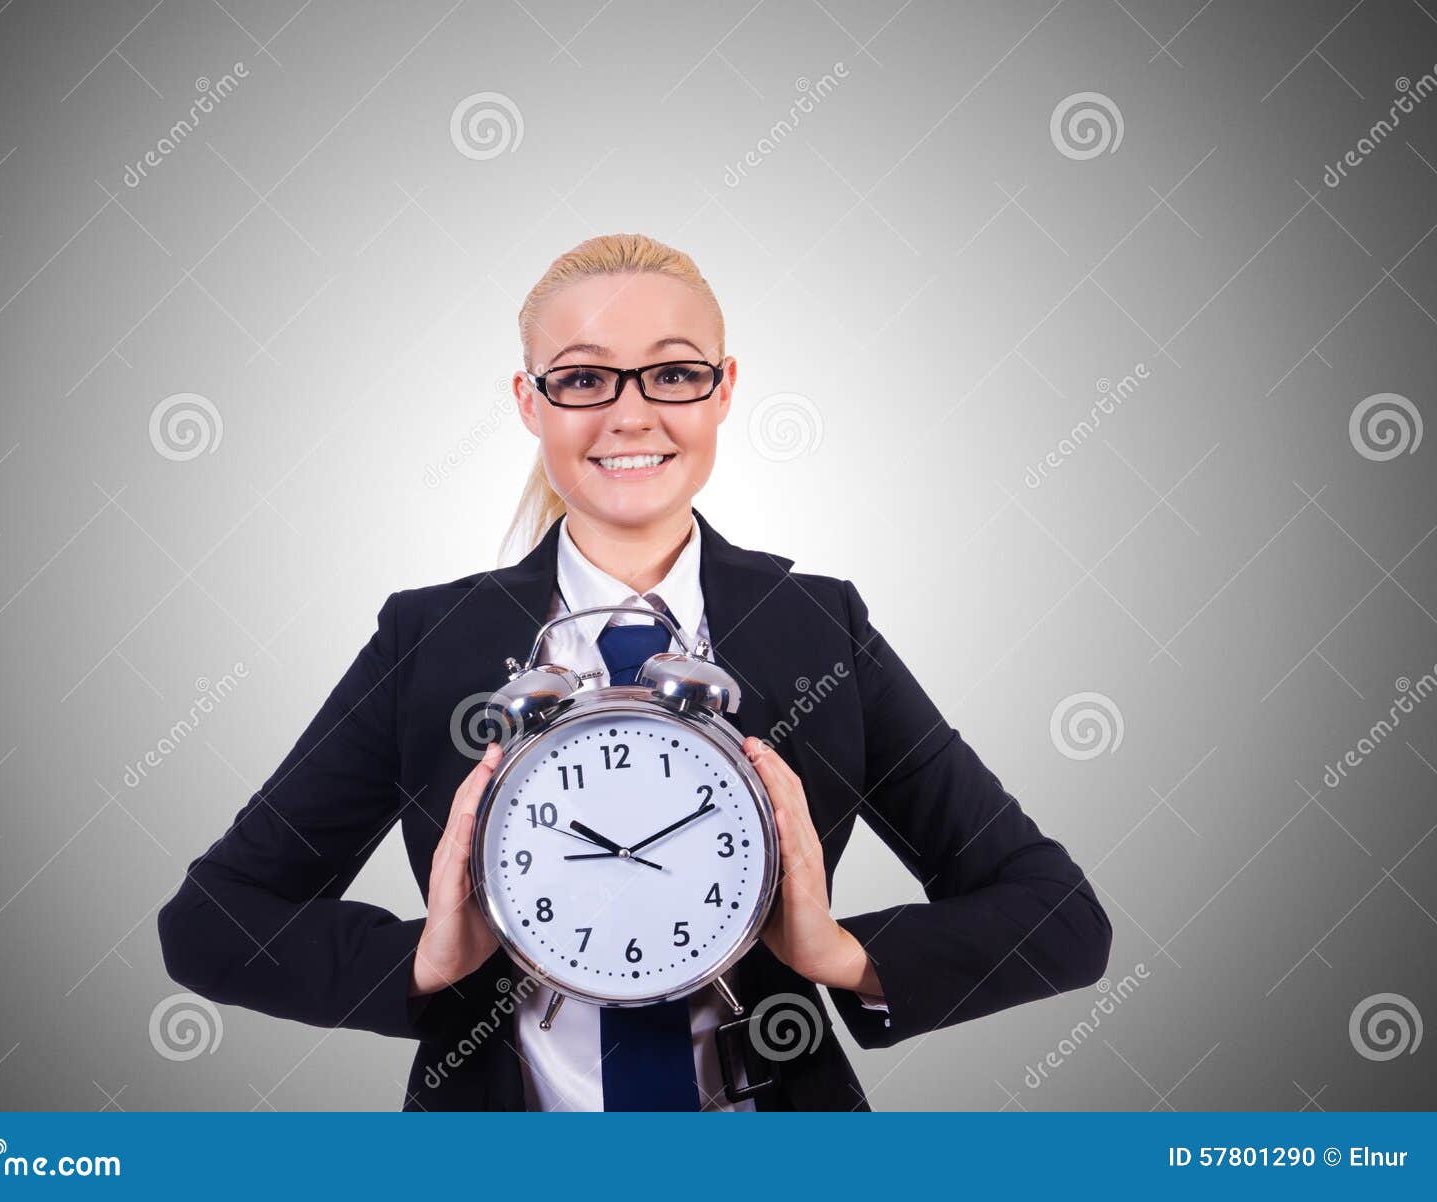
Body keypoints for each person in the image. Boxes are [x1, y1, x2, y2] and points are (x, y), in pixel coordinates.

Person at [157, 232, 1112, 1111]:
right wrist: (423, 960)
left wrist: (840, 952)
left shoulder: (818, 628)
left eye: (673, 373)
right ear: (529, 401)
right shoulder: (429, 640)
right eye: (582, 380)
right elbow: (210, 922)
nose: (631, 413)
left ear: (725, 388)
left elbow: (1060, 919)